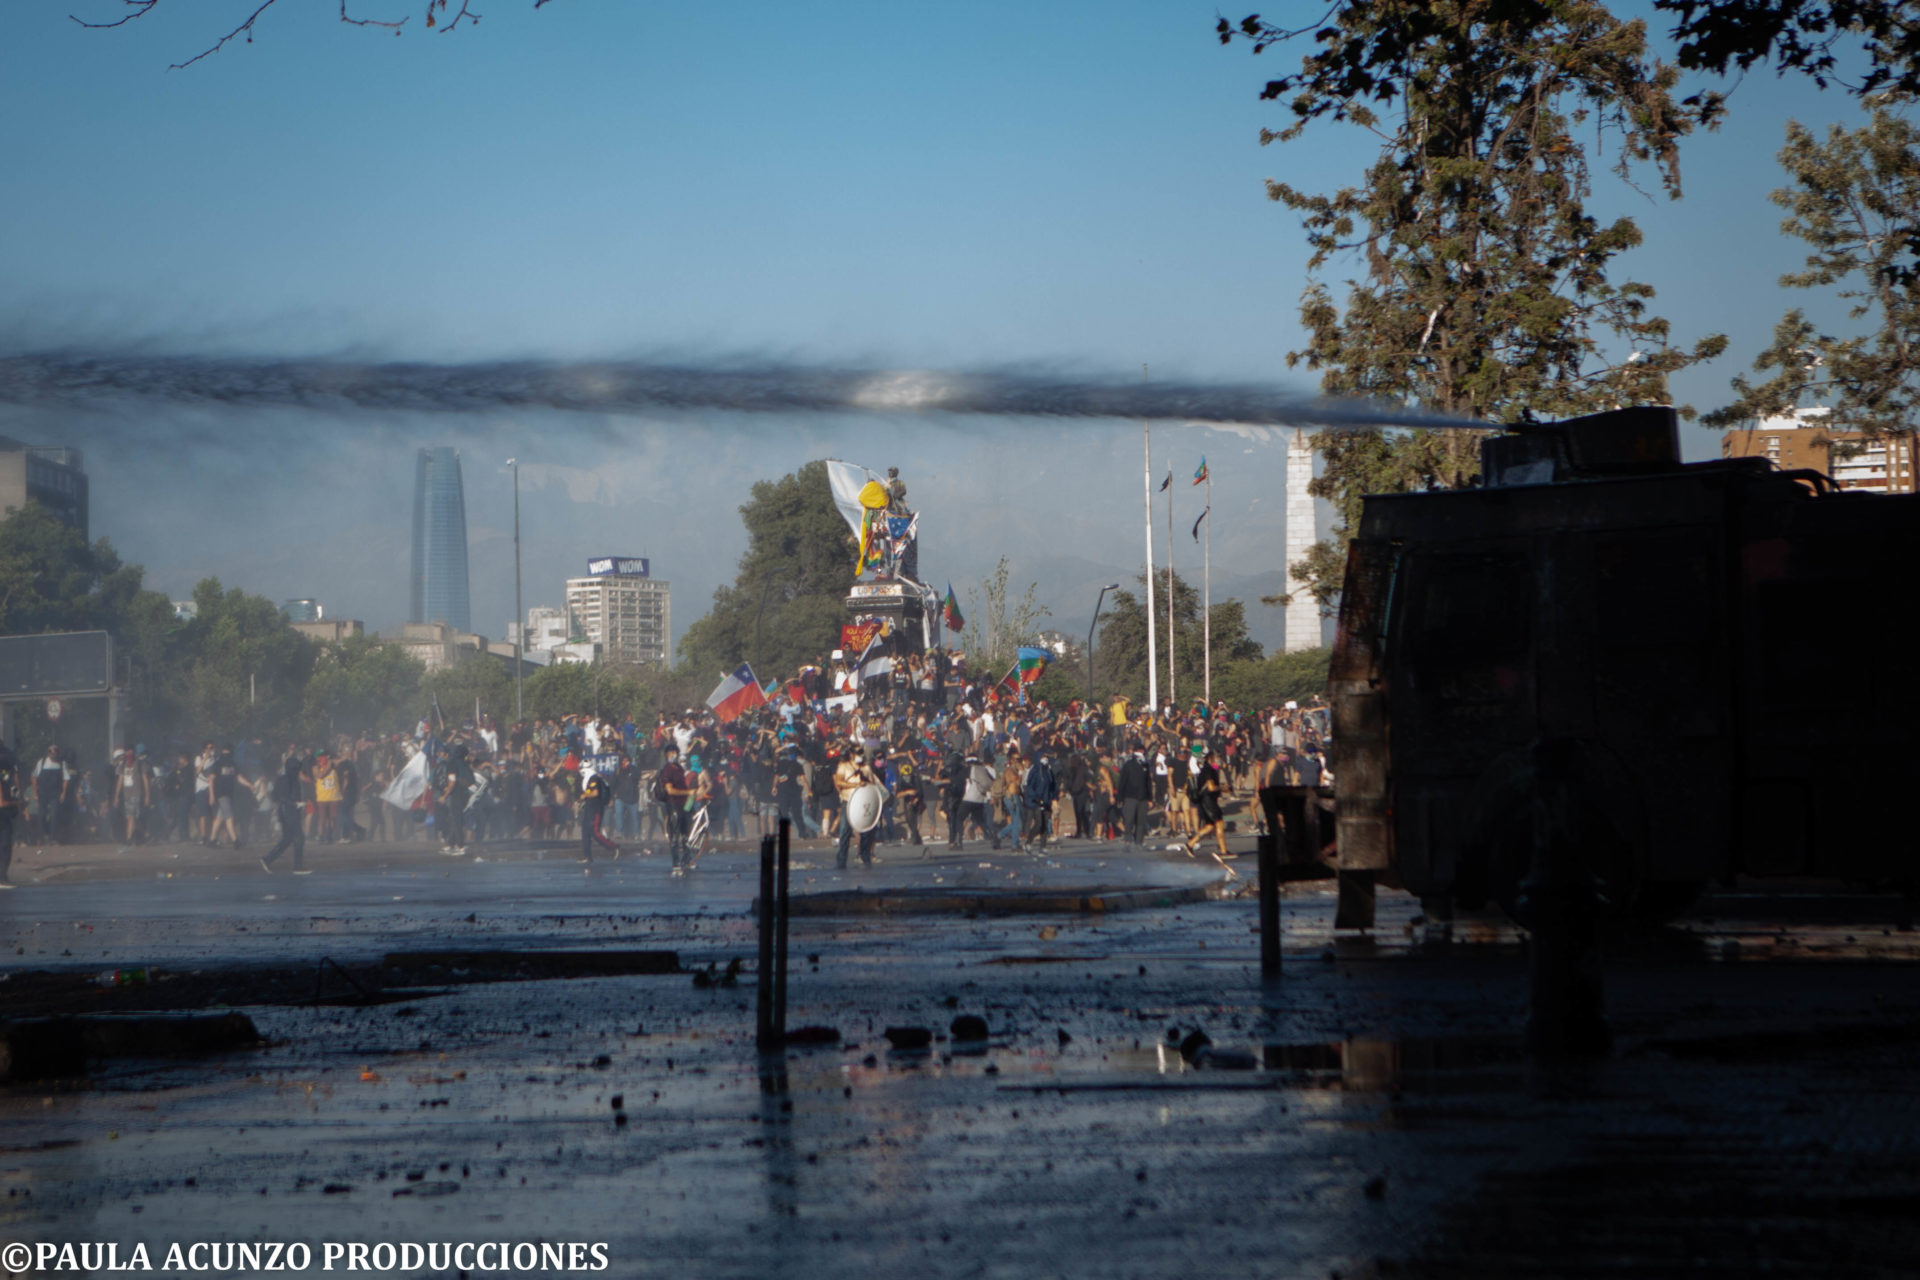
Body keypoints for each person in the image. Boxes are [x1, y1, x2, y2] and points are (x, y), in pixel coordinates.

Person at [1183, 747, 1236, 880]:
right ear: (1209, 759)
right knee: (1219, 823)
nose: (1219, 761)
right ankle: (1223, 851)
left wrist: (1222, 788)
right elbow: (1211, 787)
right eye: (1217, 759)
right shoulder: (1208, 770)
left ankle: (1189, 844)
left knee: (1209, 826)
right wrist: (1223, 788)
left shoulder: (1208, 770)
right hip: (1208, 801)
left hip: (1205, 801)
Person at [260, 747, 311, 874]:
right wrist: (296, 804)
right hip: (288, 811)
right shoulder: (287, 779)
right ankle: (298, 866)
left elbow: (275, 796)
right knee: (299, 837)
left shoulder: (285, 778)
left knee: (288, 838)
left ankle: (267, 859)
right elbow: (282, 797)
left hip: (286, 811)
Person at [833, 745, 880, 869]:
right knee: (845, 831)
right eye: (857, 752)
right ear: (851, 754)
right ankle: (842, 859)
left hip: (863, 802)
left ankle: (865, 857)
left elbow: (872, 785)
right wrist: (855, 784)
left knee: (865, 831)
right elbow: (839, 782)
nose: (860, 754)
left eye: (861, 752)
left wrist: (866, 783)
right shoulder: (844, 766)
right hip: (848, 800)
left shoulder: (866, 768)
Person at [655, 744, 693, 869]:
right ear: (666, 754)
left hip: (684, 803)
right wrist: (688, 793)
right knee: (675, 835)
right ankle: (676, 862)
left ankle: (686, 860)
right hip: (673, 804)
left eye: (675, 752)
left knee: (686, 833)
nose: (673, 754)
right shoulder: (667, 770)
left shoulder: (678, 767)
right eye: (670, 752)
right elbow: (670, 791)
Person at [33, 744, 72, 845]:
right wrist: (35, 793)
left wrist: (63, 793)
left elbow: (66, 779)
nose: (52, 753)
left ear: (57, 753)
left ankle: (53, 838)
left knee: (54, 815)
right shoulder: (41, 763)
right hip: (42, 793)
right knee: (41, 815)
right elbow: (34, 777)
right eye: (50, 751)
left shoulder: (62, 763)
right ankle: (43, 836)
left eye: (55, 751)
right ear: (48, 752)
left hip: (55, 793)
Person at [578, 769, 619, 863]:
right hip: (589, 808)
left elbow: (595, 793)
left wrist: (585, 795)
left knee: (595, 832)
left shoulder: (594, 779)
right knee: (585, 832)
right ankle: (587, 856)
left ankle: (613, 847)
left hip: (595, 809)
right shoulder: (591, 780)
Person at [1117, 747, 1152, 847]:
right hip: (1130, 796)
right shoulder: (1128, 764)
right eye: (1140, 751)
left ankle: (1139, 841)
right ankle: (1127, 839)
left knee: (1141, 821)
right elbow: (1122, 781)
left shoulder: (1145, 764)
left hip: (1143, 797)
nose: (1142, 753)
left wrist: (1150, 798)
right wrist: (1120, 796)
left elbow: (1148, 782)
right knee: (1129, 819)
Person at [0, 742, 19, 888]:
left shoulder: (8, 770)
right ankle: (2, 875)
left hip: (6, 810)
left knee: (6, 843)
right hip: (3, 809)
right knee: (5, 843)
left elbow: (14, 783)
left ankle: (3, 875)